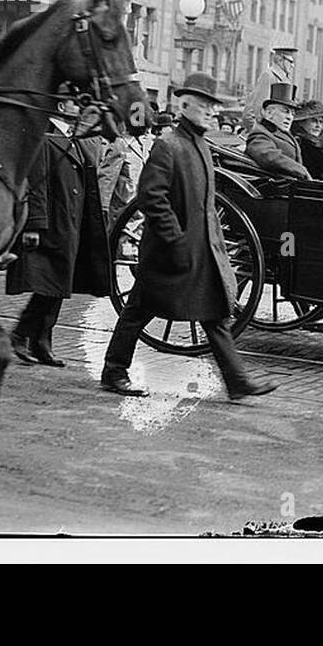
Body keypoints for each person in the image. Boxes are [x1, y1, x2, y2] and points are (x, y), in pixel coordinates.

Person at [100, 72, 277, 400]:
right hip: (169, 252)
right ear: (184, 106)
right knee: (138, 309)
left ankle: (237, 381)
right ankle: (114, 370)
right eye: (204, 105)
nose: (211, 111)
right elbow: (151, 197)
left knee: (214, 316)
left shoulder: (199, 145)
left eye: (213, 105)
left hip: (198, 250)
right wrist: (175, 240)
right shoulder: (169, 145)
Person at [7, 85, 125, 368]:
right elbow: (36, 185)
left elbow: (94, 158)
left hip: (72, 222)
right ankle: (22, 334)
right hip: (53, 222)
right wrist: (35, 225)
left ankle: (41, 340)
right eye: (75, 103)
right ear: (62, 107)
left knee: (59, 285)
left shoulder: (74, 137)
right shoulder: (45, 137)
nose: (80, 109)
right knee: (49, 284)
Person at [245, 83, 311, 179]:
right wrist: (300, 169)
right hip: (275, 188)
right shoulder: (260, 134)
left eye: (292, 113)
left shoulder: (283, 133)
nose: (289, 117)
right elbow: (268, 156)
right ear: (268, 113)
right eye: (285, 111)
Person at [241, 47, 298, 132]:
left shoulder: (284, 79)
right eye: (290, 62)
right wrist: (260, 131)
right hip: (265, 132)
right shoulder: (269, 76)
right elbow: (258, 108)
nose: (292, 65)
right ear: (280, 60)